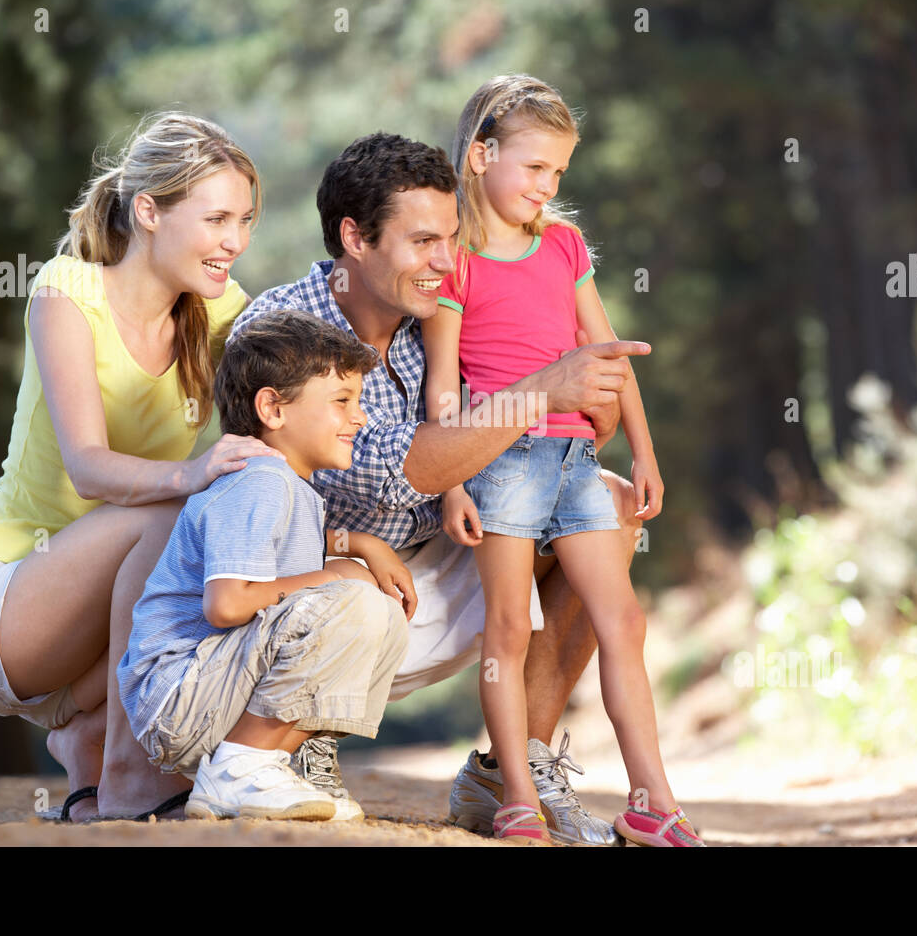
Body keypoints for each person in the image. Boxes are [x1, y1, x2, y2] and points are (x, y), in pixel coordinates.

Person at [230, 131, 652, 845]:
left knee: (604, 506)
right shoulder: (284, 332)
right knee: (356, 582)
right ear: (354, 237)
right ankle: (296, 738)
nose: (445, 262)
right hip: (311, 608)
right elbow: (399, 468)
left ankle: (513, 768)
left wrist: (589, 408)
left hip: (429, 579)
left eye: (452, 238)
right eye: (422, 242)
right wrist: (541, 391)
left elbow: (551, 440)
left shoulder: (445, 321)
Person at [0, 112, 275, 822]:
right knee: (178, 510)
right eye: (216, 219)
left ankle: (92, 738)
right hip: (1, 615)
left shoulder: (222, 314)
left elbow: (298, 386)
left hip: (88, 667)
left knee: (235, 526)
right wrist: (192, 473)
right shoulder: (68, 292)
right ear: (149, 211)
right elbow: (89, 469)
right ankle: (128, 768)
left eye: (244, 221)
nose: (234, 243)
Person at [421, 73, 702, 846]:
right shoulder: (458, 262)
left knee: (624, 620)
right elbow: (442, 392)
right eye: (534, 167)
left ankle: (652, 800)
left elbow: (610, 357)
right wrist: (450, 485)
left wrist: (643, 452)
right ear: (481, 156)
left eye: (558, 174)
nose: (546, 188)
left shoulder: (566, 246)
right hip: (499, 462)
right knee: (508, 630)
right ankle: (514, 795)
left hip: (577, 457)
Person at [117, 311, 409, 822]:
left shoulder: (286, 486)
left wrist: (357, 544)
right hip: (180, 694)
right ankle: (240, 768)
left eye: (358, 402)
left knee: (380, 614)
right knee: (356, 602)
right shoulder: (260, 481)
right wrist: (337, 574)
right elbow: (228, 603)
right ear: (272, 408)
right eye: (342, 401)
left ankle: (258, 762)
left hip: (211, 689)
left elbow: (278, 557)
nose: (359, 417)